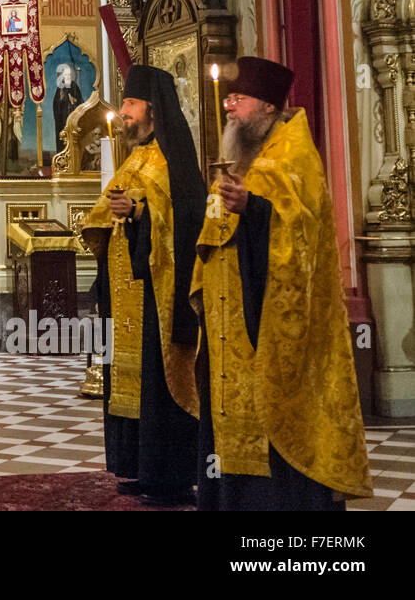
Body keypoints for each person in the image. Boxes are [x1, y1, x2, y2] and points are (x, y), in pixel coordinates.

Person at [192, 56, 372, 509]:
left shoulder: (293, 155)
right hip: (228, 322)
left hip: (270, 323)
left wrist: (253, 208)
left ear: (269, 107)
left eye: (239, 100)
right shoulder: (238, 160)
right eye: (228, 98)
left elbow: (303, 233)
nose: (229, 108)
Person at [81, 64, 204, 505]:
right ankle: (135, 466)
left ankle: (167, 473)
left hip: (158, 294)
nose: (125, 113)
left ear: (152, 109)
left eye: (130, 104)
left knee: (156, 379)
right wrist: (111, 215)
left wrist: (138, 214)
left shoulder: (173, 160)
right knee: (128, 378)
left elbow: (185, 221)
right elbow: (104, 213)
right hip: (127, 290)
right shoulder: (135, 158)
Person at [52, 62, 84, 152]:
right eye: (66, 74)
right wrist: (64, 99)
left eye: (69, 74)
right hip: (62, 119)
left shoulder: (74, 86)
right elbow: (56, 104)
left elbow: (80, 101)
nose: (68, 76)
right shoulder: (60, 88)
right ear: (62, 76)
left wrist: (74, 101)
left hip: (73, 118)